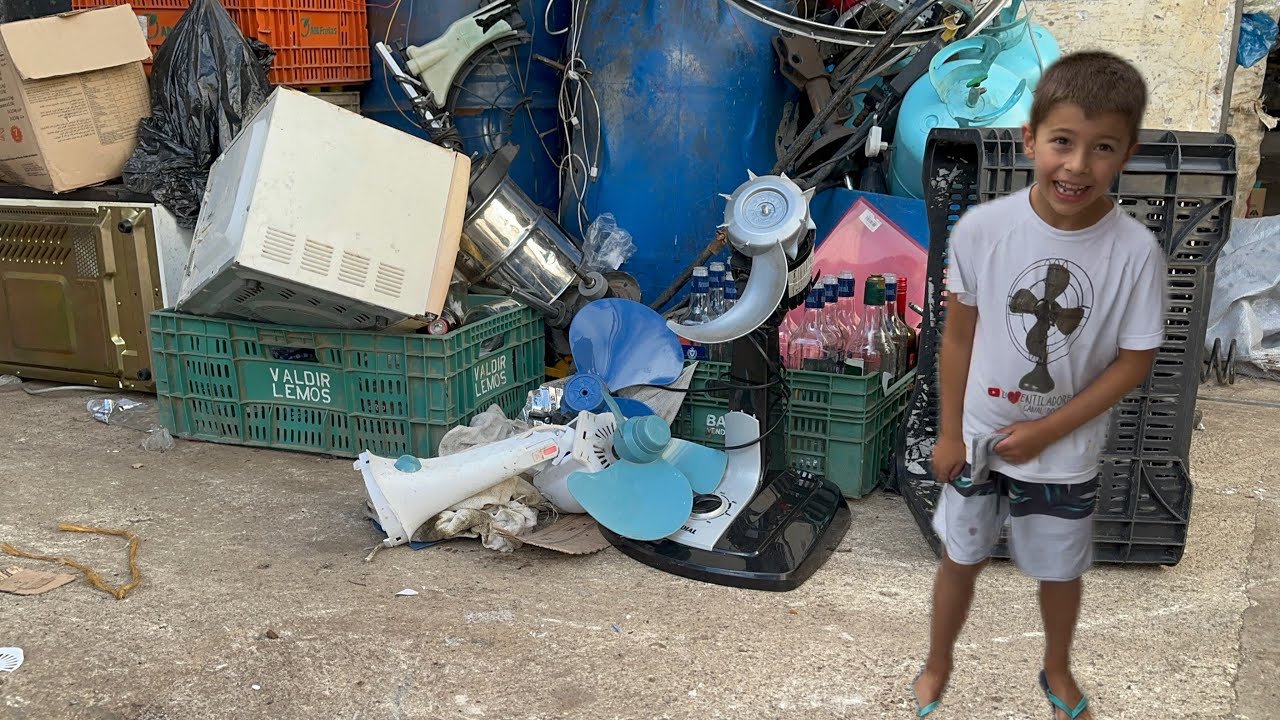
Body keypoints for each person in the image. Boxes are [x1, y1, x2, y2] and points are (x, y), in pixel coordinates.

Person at [910, 51, 1167, 720]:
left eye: (1102, 148)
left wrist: (1048, 430)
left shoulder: (1135, 253)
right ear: (1029, 140)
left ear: (1128, 153)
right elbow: (957, 335)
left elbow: (1133, 362)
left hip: (1064, 452)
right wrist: (947, 431)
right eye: (1062, 142)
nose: (1077, 165)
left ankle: (1056, 667)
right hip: (975, 441)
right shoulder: (984, 232)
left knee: (1060, 569)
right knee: (959, 558)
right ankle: (937, 663)